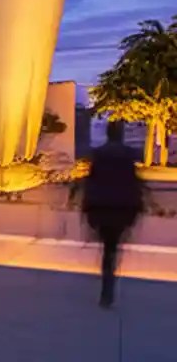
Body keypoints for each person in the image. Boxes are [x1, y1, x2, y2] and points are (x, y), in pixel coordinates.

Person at [81, 120, 144, 308]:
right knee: (113, 247)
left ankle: (106, 287)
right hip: (121, 208)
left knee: (108, 249)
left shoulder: (98, 154)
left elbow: (91, 183)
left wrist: (88, 207)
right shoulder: (128, 156)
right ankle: (108, 286)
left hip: (102, 207)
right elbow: (133, 184)